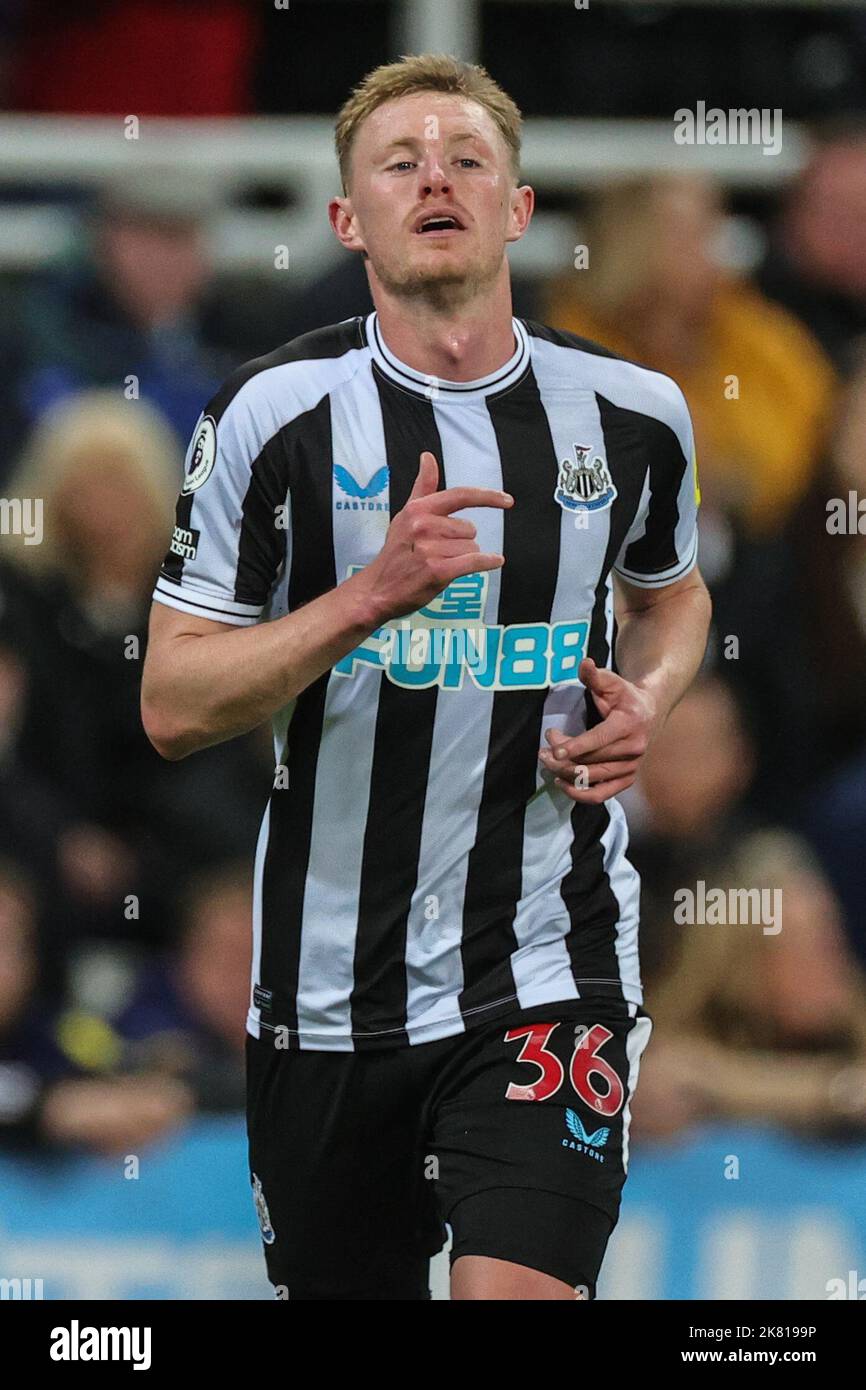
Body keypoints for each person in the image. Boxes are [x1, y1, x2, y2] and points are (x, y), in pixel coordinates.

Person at [141, 54, 711, 1302]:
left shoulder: (631, 414)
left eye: (466, 159)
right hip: (327, 986)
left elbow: (671, 595)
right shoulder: (269, 415)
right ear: (347, 222)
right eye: (399, 164)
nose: (434, 179)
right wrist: (364, 598)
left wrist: (651, 699)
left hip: (548, 961)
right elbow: (172, 705)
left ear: (515, 209)